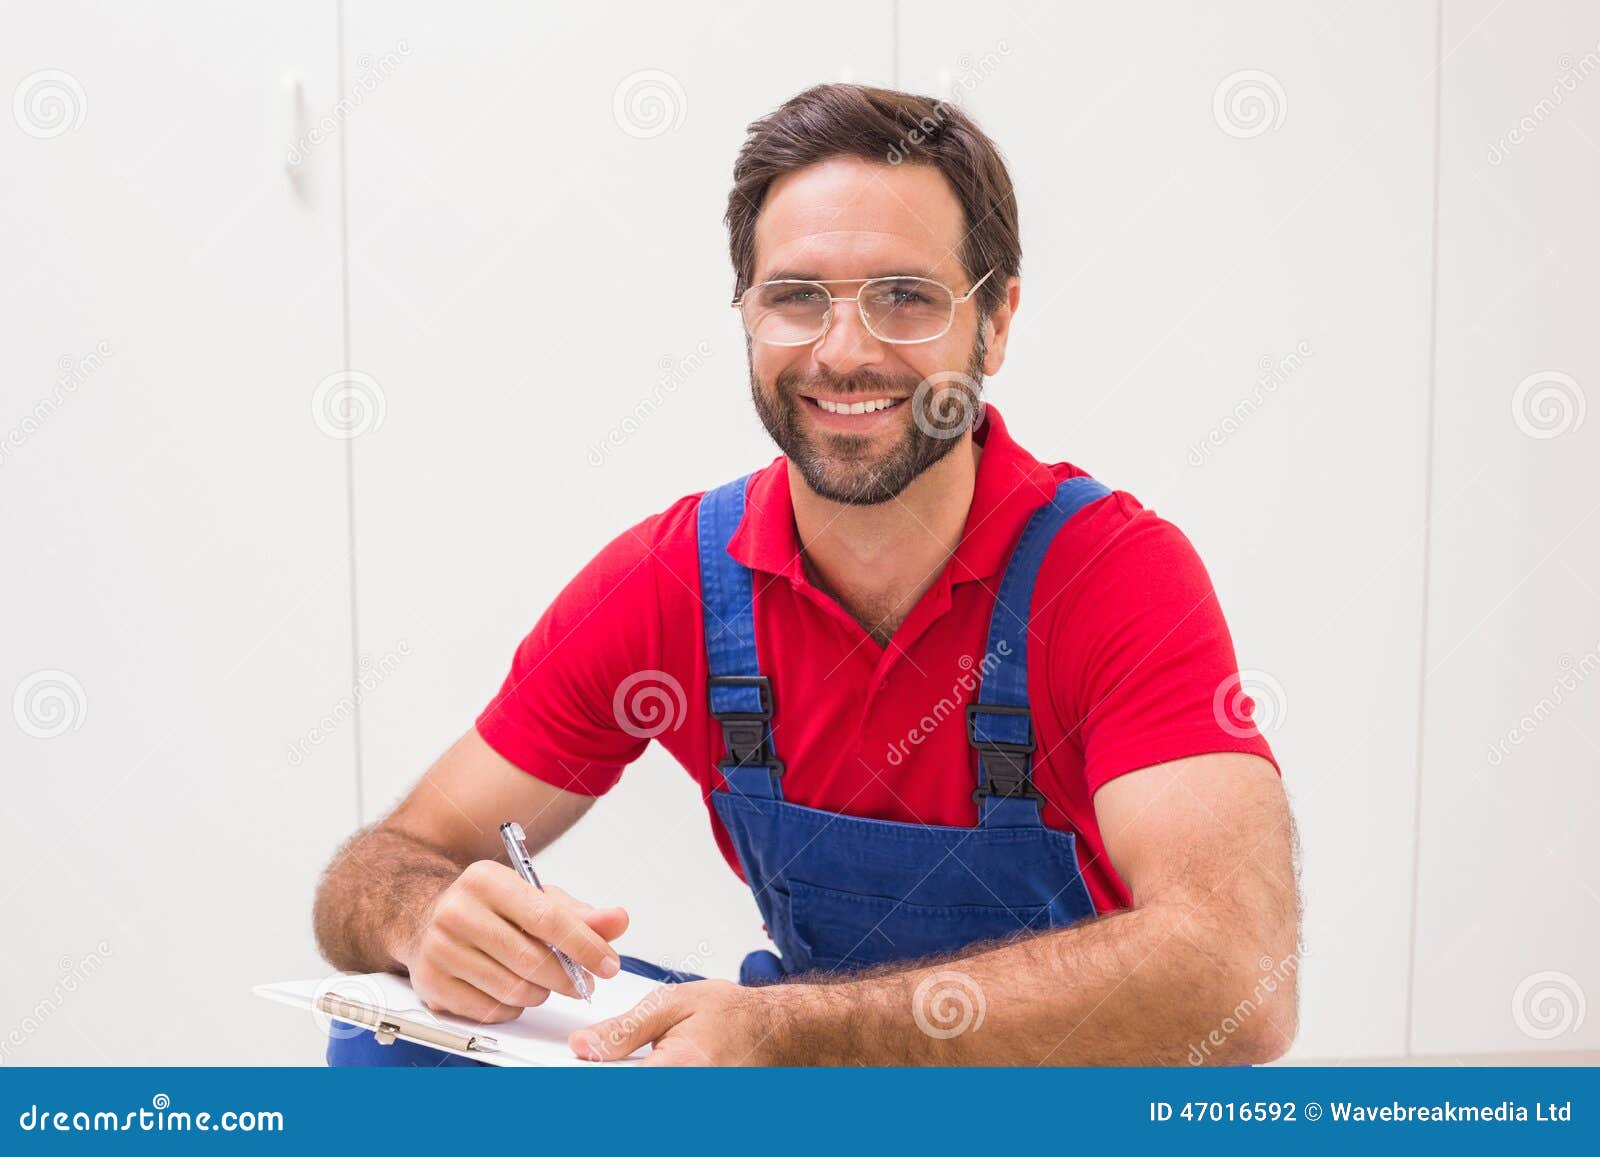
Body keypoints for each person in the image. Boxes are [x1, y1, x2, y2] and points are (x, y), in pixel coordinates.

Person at [313, 82, 1300, 1066]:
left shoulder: (1108, 578)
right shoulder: (676, 582)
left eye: (904, 297)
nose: (844, 351)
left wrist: (797, 1028)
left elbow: (1236, 975)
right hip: (810, 1082)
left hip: (1052, 1097)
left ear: (994, 321)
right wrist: (425, 915)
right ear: (746, 313)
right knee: (386, 1044)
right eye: (796, 297)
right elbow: (386, 859)